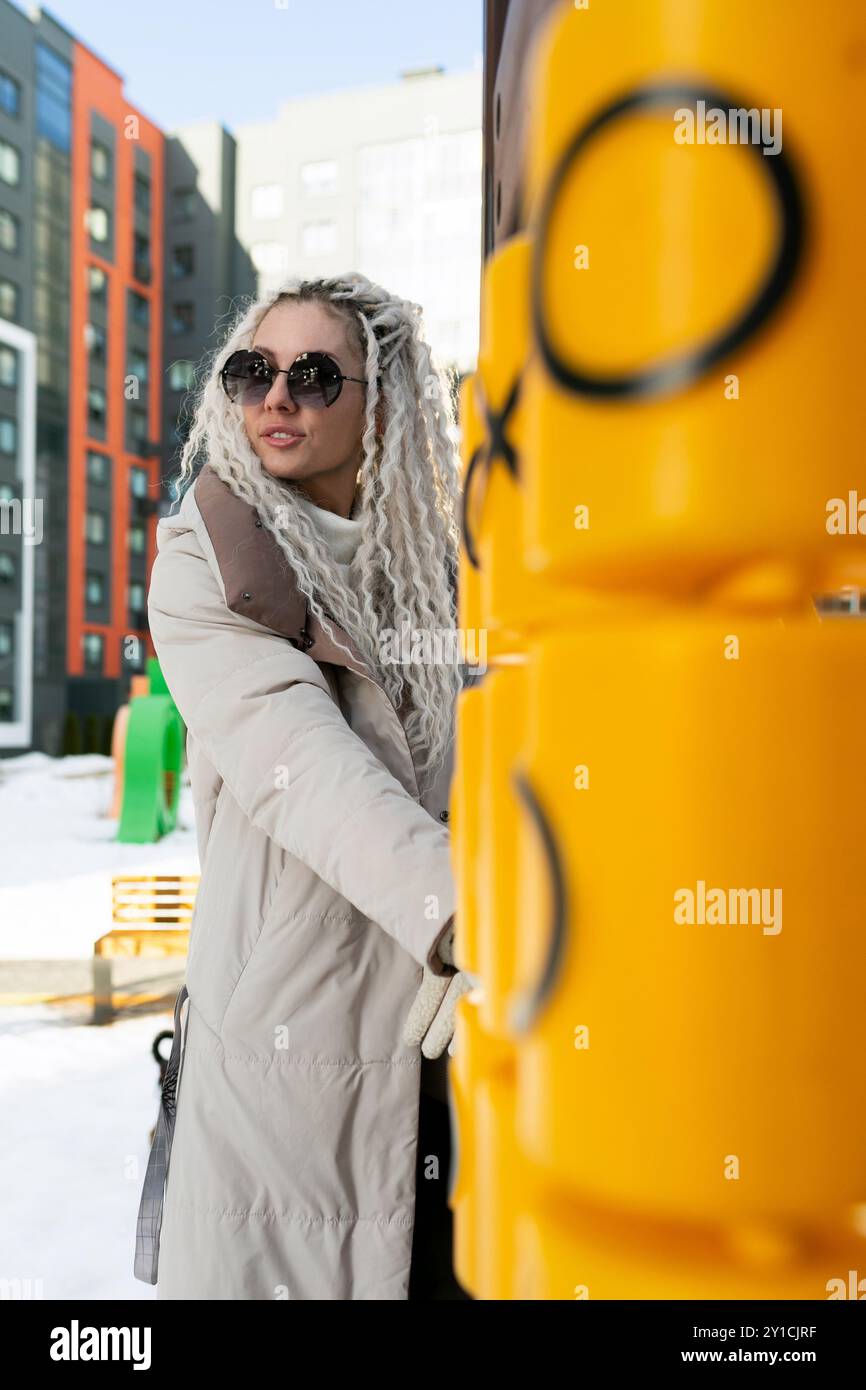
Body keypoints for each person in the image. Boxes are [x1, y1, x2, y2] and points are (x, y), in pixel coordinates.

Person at [133, 271, 475, 1300]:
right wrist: (475, 915)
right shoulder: (207, 559)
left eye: (316, 375)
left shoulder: (448, 578)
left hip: (450, 1036)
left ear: (384, 403)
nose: (276, 396)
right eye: (253, 371)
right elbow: (304, 772)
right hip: (292, 1042)